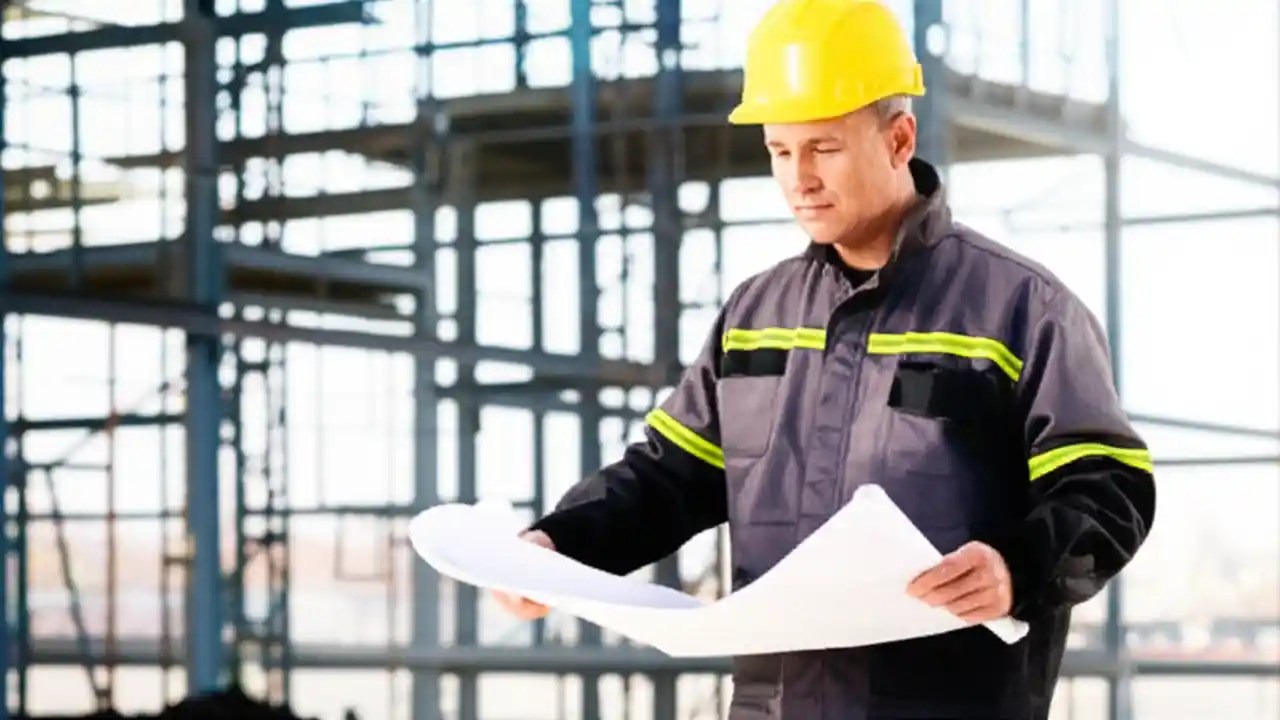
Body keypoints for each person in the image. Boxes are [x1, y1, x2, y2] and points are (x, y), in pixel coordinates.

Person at [495, 0, 1157, 717]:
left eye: (824, 148)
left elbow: (1107, 486)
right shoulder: (755, 317)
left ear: (899, 138)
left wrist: (1016, 566)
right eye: (780, 151)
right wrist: (560, 545)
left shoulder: (1021, 310)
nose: (798, 179)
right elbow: (666, 478)